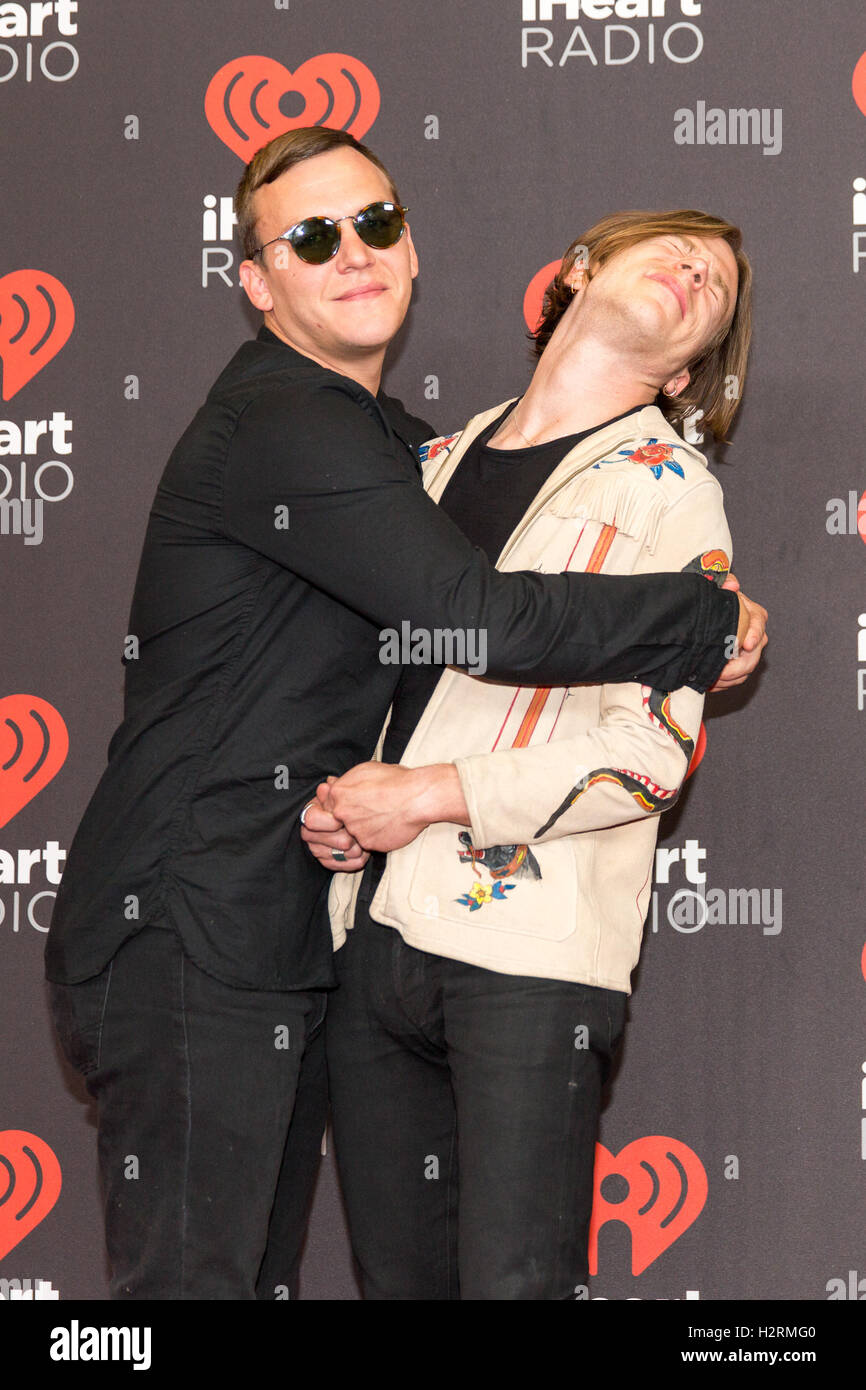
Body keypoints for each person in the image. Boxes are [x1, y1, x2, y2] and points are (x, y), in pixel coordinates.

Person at [45, 126, 765, 1301]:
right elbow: (472, 616)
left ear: (413, 247)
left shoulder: (411, 454)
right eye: (310, 237)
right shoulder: (291, 422)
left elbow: (414, 698)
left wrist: (369, 805)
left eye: (376, 223)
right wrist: (698, 618)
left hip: (296, 937)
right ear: (258, 284)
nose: (353, 252)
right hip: (187, 924)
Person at [306, 208, 760, 1299]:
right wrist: (338, 799)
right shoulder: (427, 460)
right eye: (673, 247)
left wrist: (431, 794)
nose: (697, 269)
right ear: (579, 269)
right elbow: (375, 677)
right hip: (369, 930)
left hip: (531, 950)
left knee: (517, 1283)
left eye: (716, 285)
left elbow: (652, 748)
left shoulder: (673, 492)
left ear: (688, 372)